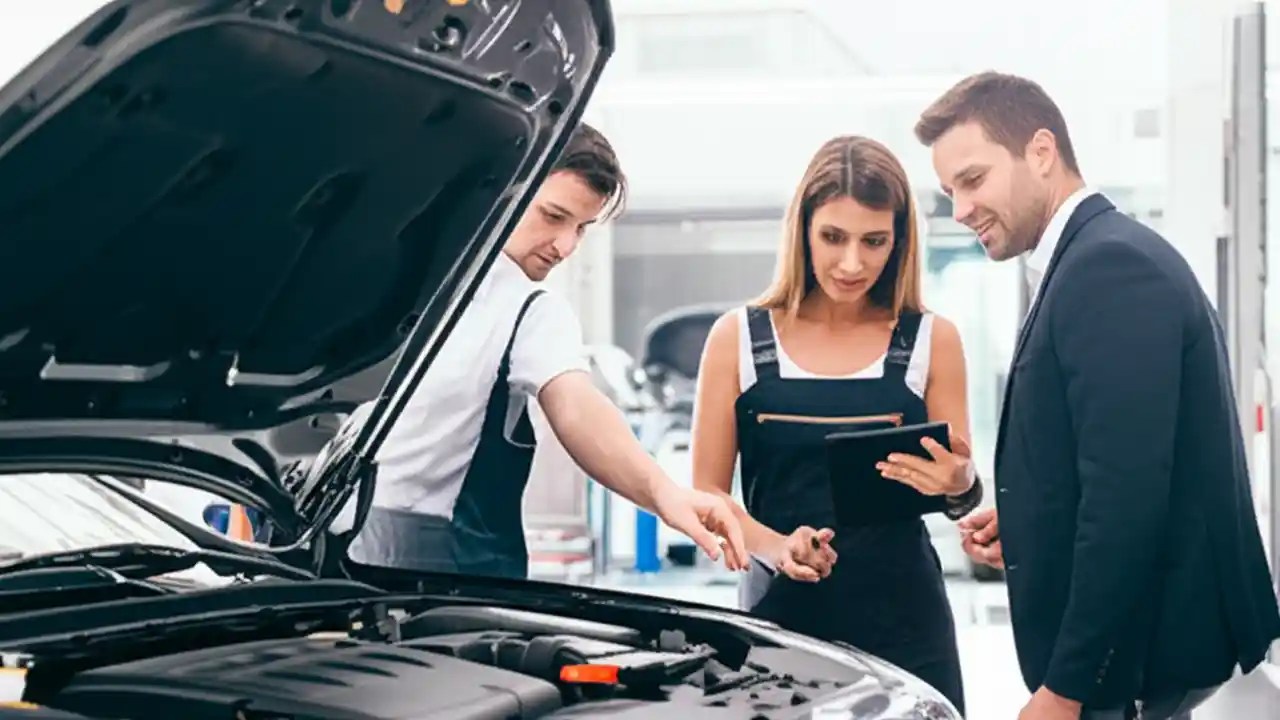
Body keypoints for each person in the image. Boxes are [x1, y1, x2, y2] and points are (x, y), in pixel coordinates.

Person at [913, 71, 1280, 720]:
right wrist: (1030, 523)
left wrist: (1067, 688)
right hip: (1135, 656)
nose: (960, 209)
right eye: (949, 192)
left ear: (1041, 152)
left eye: (972, 180)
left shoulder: (1107, 268)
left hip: (1130, 665)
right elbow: (1105, 459)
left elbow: (1126, 498)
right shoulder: (1089, 258)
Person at [341, 123, 748, 579]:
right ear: (497, 189)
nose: (567, 246)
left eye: (582, 228)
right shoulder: (375, 275)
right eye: (553, 217)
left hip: (437, 578)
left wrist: (664, 493)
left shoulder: (530, 311)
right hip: (307, 552)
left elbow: (577, 406)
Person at [690, 135, 985, 714]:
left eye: (874, 241)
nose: (853, 263)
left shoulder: (932, 339)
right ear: (802, 229)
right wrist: (776, 548)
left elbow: (962, 494)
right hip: (776, 624)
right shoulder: (737, 339)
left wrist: (959, 483)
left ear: (899, 240)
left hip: (907, 624)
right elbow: (705, 497)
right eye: (834, 237)